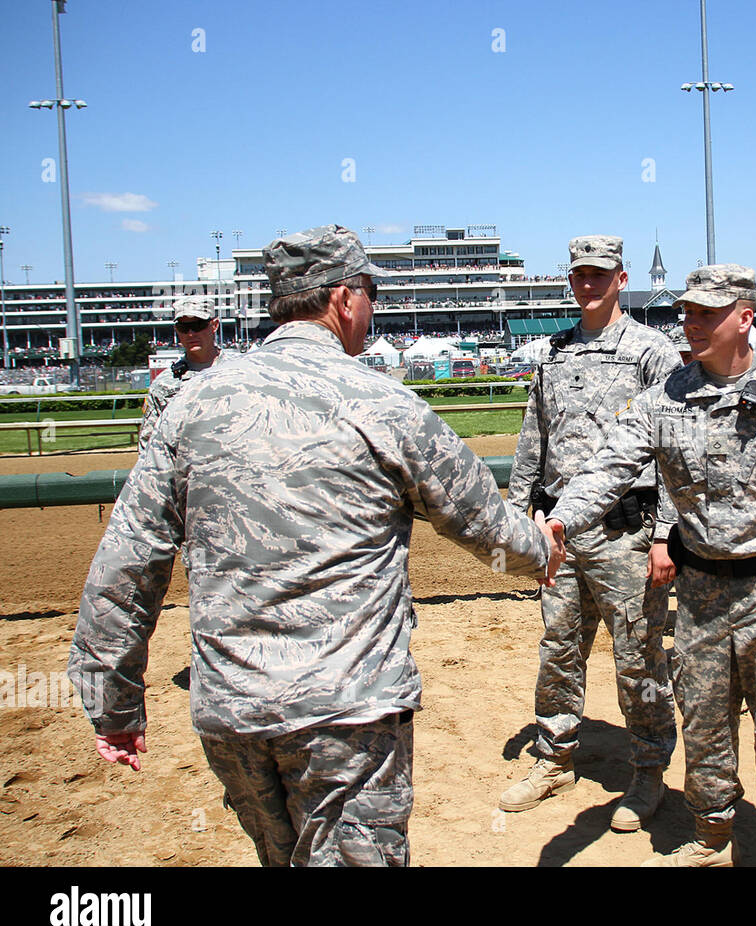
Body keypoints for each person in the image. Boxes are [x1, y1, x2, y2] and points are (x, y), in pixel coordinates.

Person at [67, 224, 560, 867]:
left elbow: (129, 562)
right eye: (371, 295)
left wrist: (113, 701)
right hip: (346, 715)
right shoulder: (384, 404)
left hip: (232, 713)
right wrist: (540, 550)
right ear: (345, 298)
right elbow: (484, 529)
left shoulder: (191, 406)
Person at [542, 264, 756, 866]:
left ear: (744, 318)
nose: (690, 323)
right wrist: (561, 519)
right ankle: (711, 835)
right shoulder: (663, 401)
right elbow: (609, 467)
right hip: (699, 593)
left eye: (706, 314)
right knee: (703, 719)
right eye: (687, 312)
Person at [501, 235, 680, 833]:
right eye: (580, 273)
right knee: (559, 649)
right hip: (561, 536)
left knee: (638, 659)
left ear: (622, 279)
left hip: (625, 533)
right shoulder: (556, 351)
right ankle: (555, 758)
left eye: (600, 274)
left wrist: (666, 534)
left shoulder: (652, 354)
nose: (589, 284)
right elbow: (535, 433)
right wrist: (518, 506)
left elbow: (677, 449)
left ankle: (649, 772)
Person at [138, 295, 224, 449]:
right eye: (184, 328)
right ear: (177, 330)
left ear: (214, 325)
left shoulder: (242, 369)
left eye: (198, 325)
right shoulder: (164, 384)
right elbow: (148, 443)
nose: (191, 334)